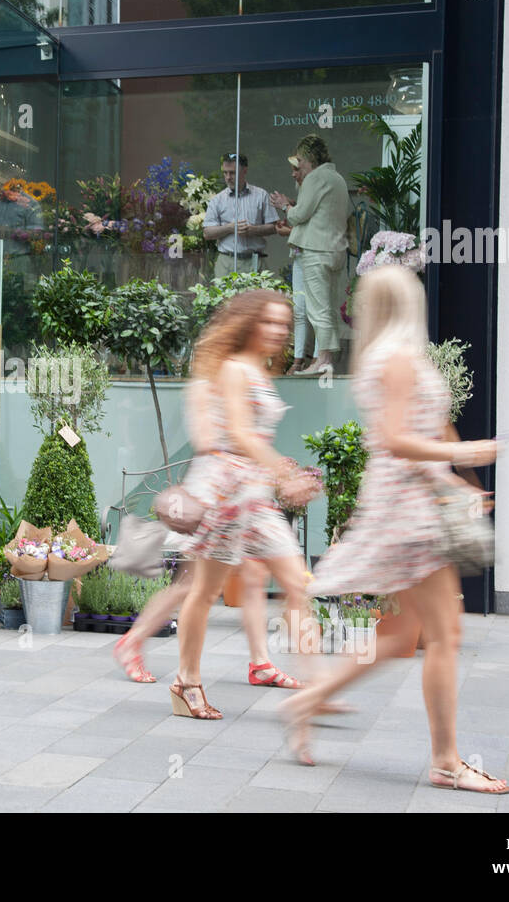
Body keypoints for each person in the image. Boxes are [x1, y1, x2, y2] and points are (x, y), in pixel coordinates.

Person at [281, 266, 509, 794]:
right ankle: (447, 762)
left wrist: (453, 482)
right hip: (410, 510)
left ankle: (307, 701)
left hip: (403, 502)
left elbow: (402, 441)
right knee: (444, 635)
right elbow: (394, 439)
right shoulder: (401, 359)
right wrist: (466, 456)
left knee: (400, 634)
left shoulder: (380, 358)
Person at [159, 291, 322, 719]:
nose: (279, 331)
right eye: (269, 322)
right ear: (249, 323)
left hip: (256, 496)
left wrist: (278, 476)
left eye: (284, 324)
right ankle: (186, 682)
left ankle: (317, 690)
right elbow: (240, 433)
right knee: (205, 592)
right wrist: (285, 474)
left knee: (298, 584)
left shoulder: (260, 371)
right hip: (226, 494)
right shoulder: (234, 369)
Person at [270, 135, 349, 376]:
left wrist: (285, 205)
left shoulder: (315, 177)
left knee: (317, 309)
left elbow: (298, 215)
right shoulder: (337, 178)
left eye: (300, 161)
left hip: (316, 250)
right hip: (336, 250)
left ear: (310, 159)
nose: (298, 166)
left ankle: (322, 359)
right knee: (330, 307)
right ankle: (328, 358)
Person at [203, 152, 281, 280]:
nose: (228, 177)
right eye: (225, 173)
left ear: (245, 171)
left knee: (259, 294)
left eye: (232, 173)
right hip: (227, 261)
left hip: (255, 262)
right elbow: (207, 233)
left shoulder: (261, 195)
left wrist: (253, 230)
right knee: (225, 294)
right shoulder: (217, 200)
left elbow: (274, 227)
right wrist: (230, 228)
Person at [276, 157, 316, 374]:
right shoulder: (303, 192)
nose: (293, 174)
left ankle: (317, 359)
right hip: (299, 256)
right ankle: (298, 359)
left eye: (297, 169)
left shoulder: (316, 191)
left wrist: (286, 209)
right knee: (299, 309)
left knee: (316, 310)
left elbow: (314, 230)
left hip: (315, 257)